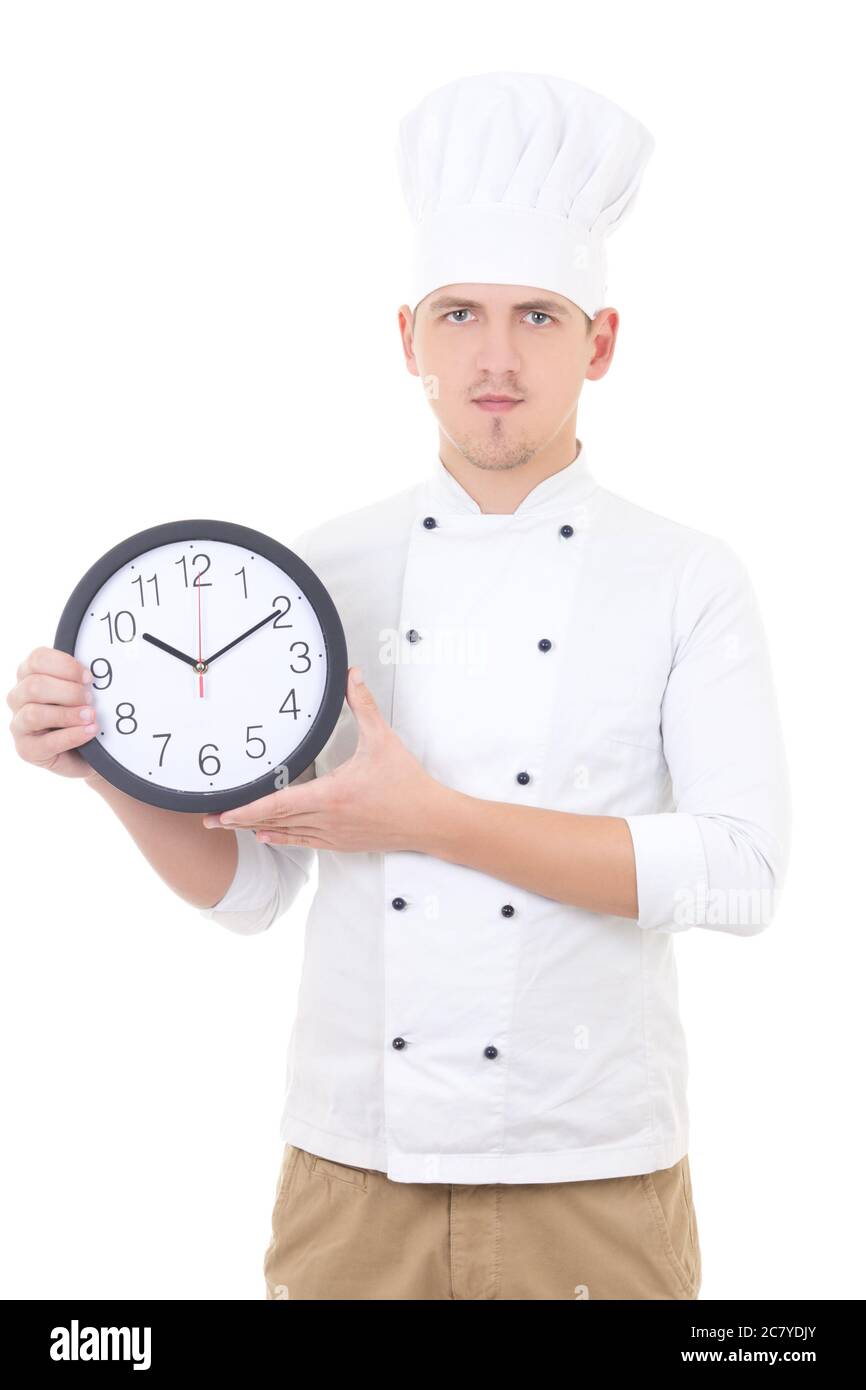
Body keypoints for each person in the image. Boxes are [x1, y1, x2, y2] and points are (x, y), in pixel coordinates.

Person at [8, 72, 791, 1301]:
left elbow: (740, 872)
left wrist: (430, 821)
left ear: (600, 341)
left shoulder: (686, 576)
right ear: (405, 338)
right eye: (458, 314)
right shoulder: (315, 574)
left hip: (590, 1175)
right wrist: (111, 766)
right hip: (350, 1176)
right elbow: (253, 888)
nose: (493, 358)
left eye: (536, 316)